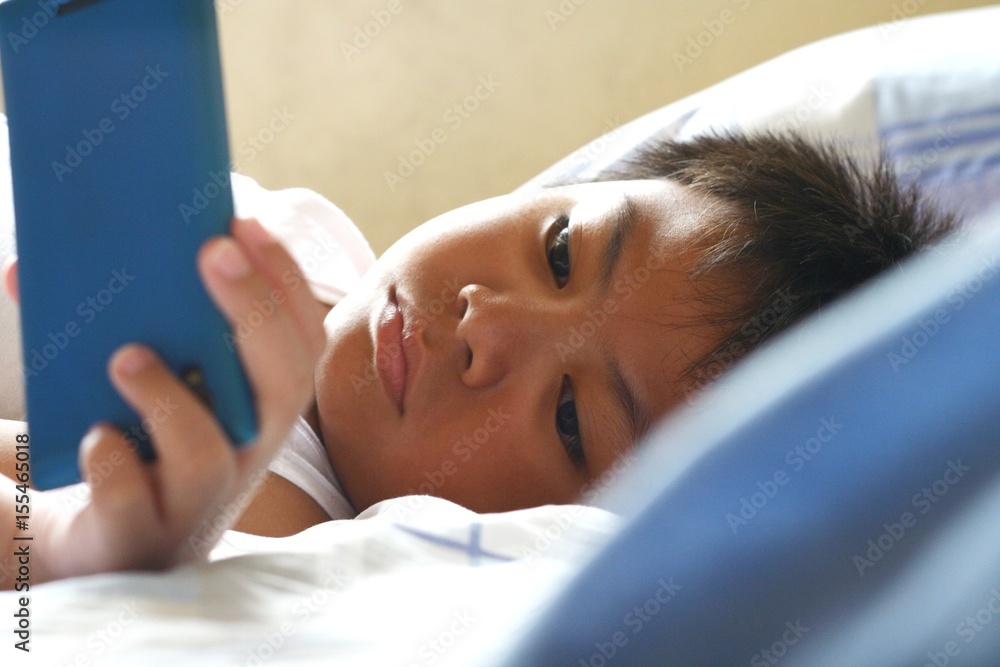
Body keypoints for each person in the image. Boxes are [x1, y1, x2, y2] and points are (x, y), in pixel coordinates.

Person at [0, 130, 959, 588]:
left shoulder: (272, 519)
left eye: (572, 418)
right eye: (558, 253)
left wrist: (76, 540)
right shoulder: (310, 238)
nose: (486, 326)